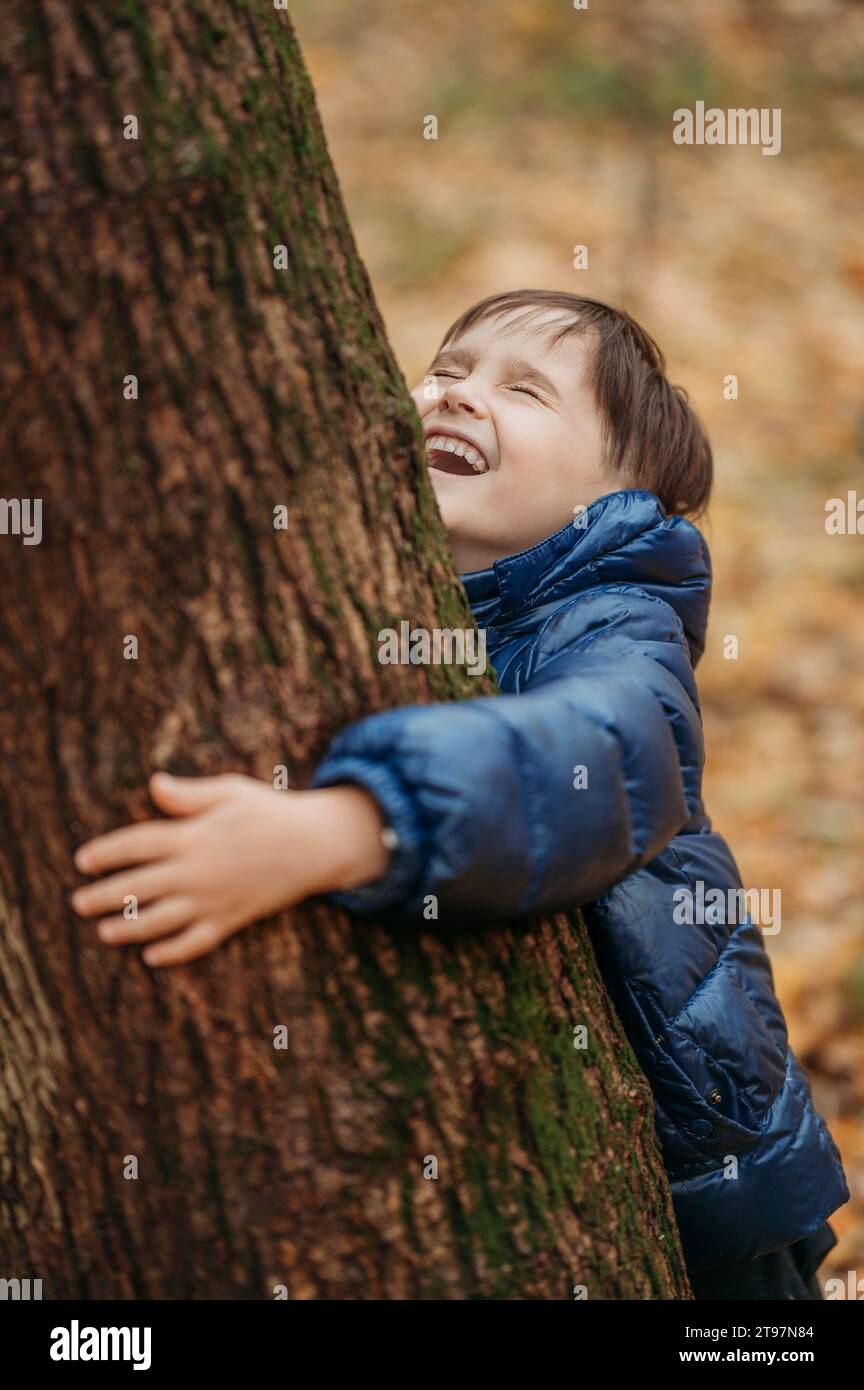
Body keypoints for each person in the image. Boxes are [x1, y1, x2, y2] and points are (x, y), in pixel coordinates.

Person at [69, 289, 849, 1298]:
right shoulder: (416, 604)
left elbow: (601, 758)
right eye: (445, 369)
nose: (456, 394)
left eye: (525, 390)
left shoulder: (617, 627)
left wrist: (356, 826)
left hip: (719, 1186)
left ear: (617, 497)